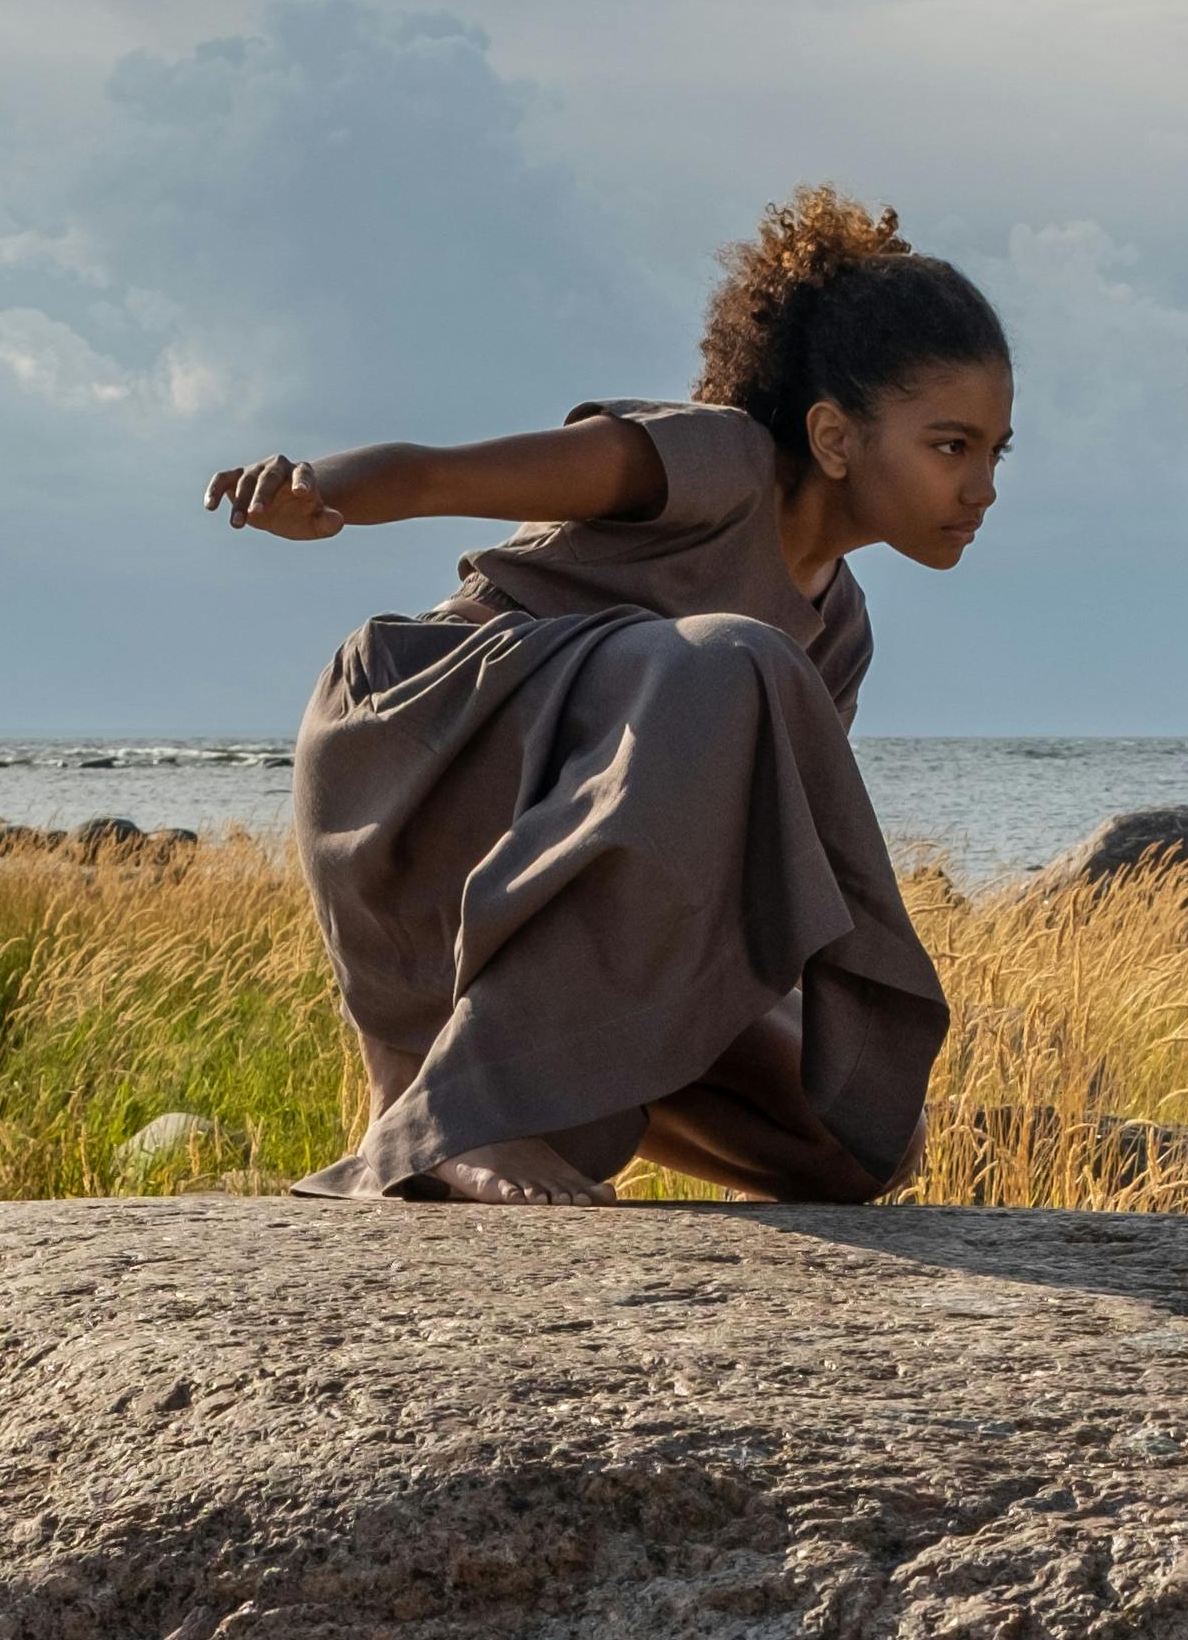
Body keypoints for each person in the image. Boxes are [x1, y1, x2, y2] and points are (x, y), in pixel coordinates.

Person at [211, 193, 1009, 1204]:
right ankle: (464, 1112)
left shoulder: (836, 631)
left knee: (856, 1135)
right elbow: (434, 474)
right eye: (951, 446)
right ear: (835, 437)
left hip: (564, 848)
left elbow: (736, 863)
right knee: (733, 664)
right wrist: (311, 492)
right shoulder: (718, 464)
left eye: (995, 452)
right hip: (422, 749)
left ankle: (495, 1101)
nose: (982, 486)